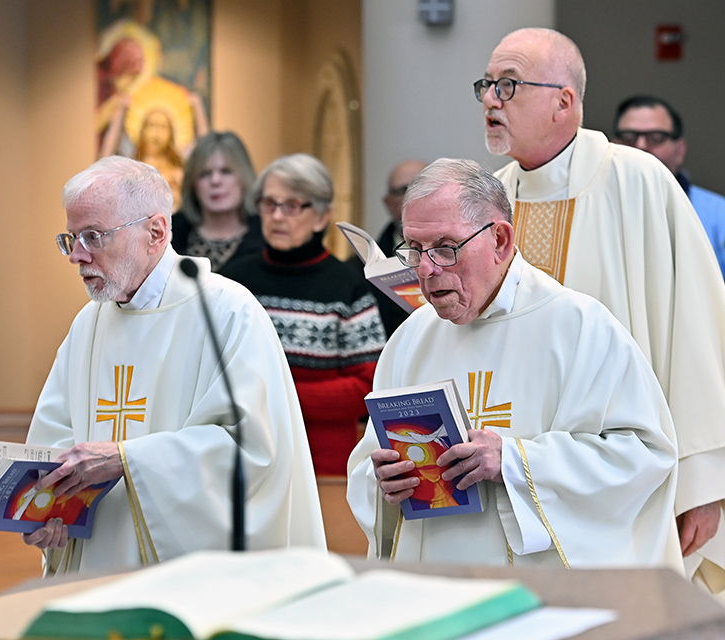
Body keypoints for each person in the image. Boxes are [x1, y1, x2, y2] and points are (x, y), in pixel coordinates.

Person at [480, 27, 725, 625]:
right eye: (486, 85)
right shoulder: (492, 200)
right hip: (513, 481)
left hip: (626, 476)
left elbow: (692, 331)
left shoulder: (636, 181)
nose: (491, 99)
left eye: (508, 85)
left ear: (564, 100)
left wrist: (703, 482)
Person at [347, 158, 680, 570]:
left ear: (500, 240)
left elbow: (644, 455)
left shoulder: (578, 326)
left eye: (445, 249)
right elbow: (369, 462)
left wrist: (515, 460)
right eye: (414, 250)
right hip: (435, 584)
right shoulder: (412, 338)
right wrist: (382, 479)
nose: (426, 271)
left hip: (539, 594)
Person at [23, 156, 326, 575]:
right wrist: (46, 513)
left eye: (93, 237)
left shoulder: (226, 311)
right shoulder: (88, 325)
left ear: (156, 232)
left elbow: (253, 453)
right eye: (70, 238)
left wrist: (128, 460)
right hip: (96, 564)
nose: (77, 256)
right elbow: (53, 442)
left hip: (191, 579)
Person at [221, 154, 386, 475]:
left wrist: (280, 396)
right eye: (269, 204)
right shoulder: (233, 280)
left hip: (322, 463)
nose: (277, 217)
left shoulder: (348, 287)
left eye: (292, 206)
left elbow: (369, 386)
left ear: (321, 217)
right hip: (243, 454)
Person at [613, 95, 725, 277]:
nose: (641, 146)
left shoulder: (724, 218)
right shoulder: (590, 209)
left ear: (679, 150)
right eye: (629, 137)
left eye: (656, 138)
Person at [171, 132, 265, 272]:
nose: (215, 181)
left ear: (244, 177)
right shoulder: (169, 235)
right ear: (193, 183)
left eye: (226, 171)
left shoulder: (266, 237)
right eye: (205, 174)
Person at [366, 159, 428, 337]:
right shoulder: (361, 269)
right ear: (388, 202)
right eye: (403, 191)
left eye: (422, 187)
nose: (413, 197)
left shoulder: (463, 255)